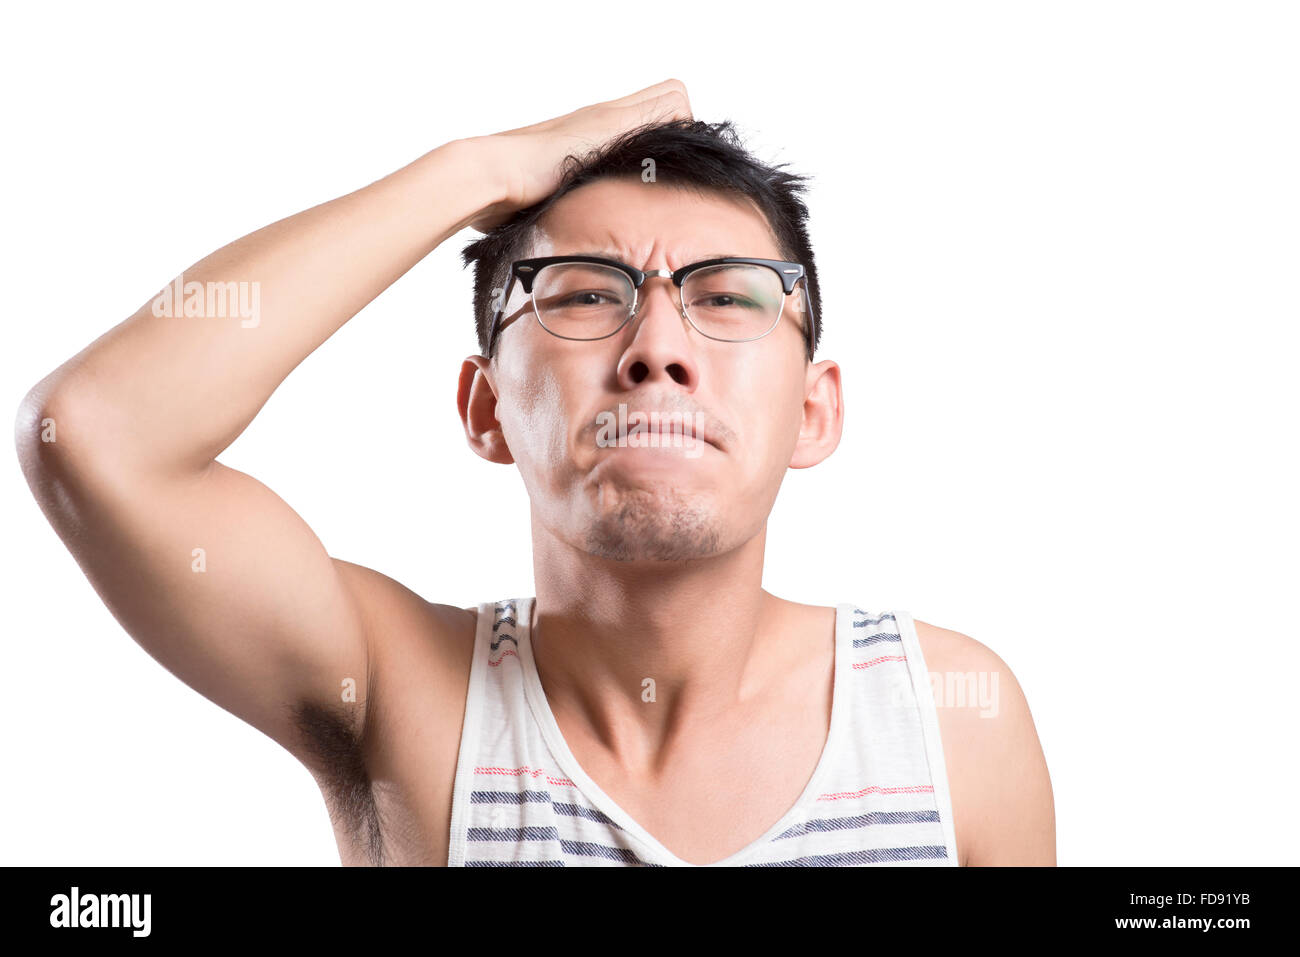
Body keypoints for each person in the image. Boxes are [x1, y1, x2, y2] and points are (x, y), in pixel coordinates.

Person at [16, 78, 1054, 866]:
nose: (657, 345)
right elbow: (94, 432)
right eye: (583, 293)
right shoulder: (406, 700)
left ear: (814, 411)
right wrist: (478, 171)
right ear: (486, 409)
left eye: (729, 297)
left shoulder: (949, 722)